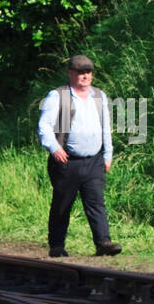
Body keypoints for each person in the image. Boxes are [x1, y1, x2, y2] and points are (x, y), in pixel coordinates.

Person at [37, 55, 121, 258]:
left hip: (94, 160)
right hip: (67, 160)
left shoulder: (99, 96)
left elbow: (106, 129)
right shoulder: (58, 96)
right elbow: (44, 126)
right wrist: (54, 148)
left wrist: (108, 155)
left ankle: (103, 242)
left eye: (88, 72)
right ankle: (57, 245)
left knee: (96, 202)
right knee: (62, 203)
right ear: (71, 73)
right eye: (81, 72)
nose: (85, 76)